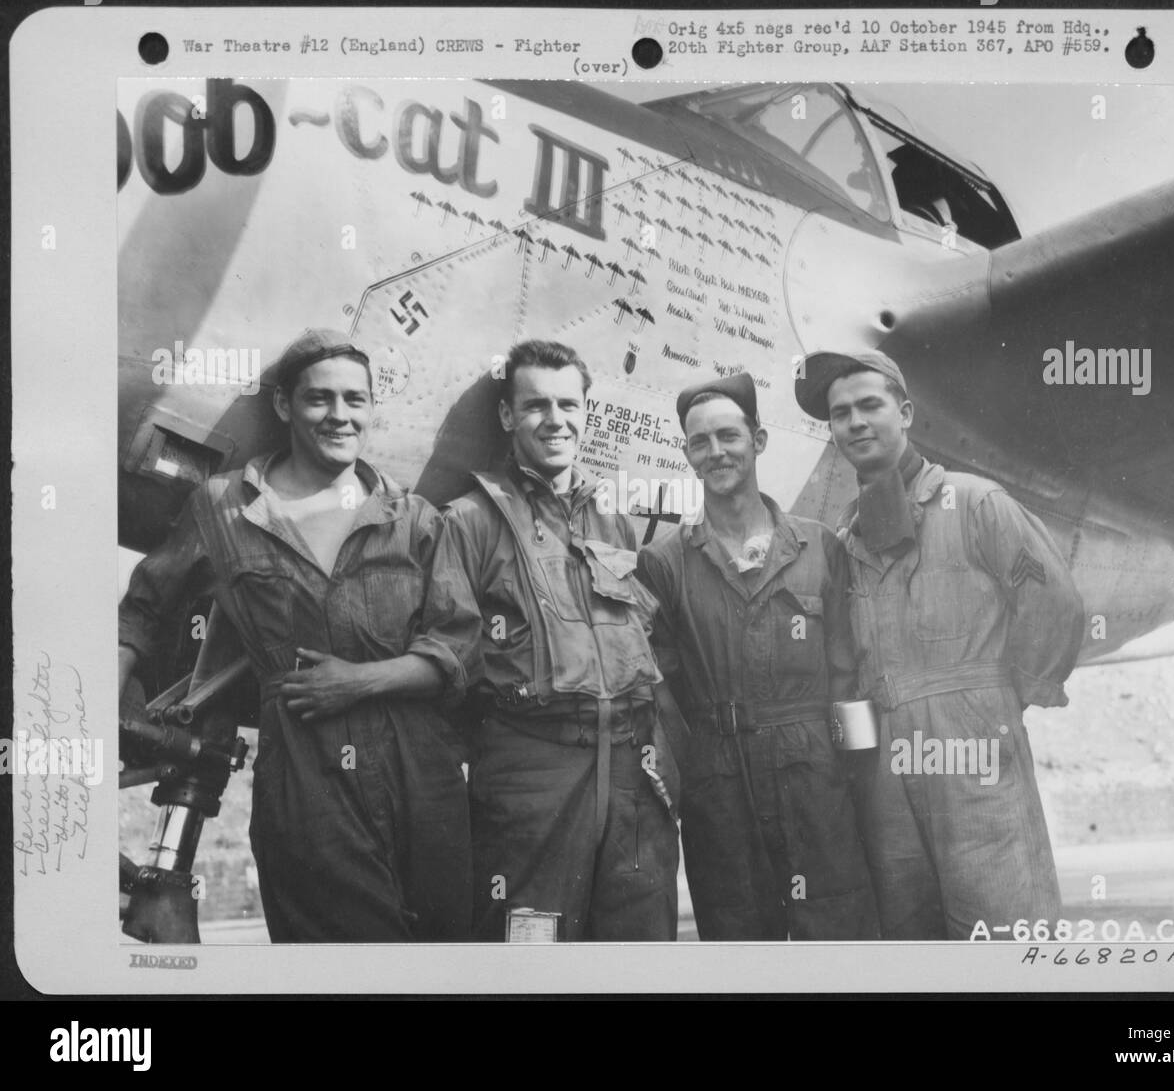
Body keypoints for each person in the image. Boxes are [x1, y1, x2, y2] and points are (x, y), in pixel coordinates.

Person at [118, 328, 474, 942]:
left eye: (355, 400)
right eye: (320, 399)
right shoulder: (223, 506)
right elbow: (144, 607)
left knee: (448, 955)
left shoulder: (412, 515)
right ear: (284, 406)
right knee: (333, 953)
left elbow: (456, 647)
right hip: (305, 770)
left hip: (420, 768)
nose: (340, 415)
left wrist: (358, 682)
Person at [795, 349, 1085, 941]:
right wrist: (860, 765)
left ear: (904, 413)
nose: (855, 422)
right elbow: (846, 673)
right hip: (887, 775)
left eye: (869, 405)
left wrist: (1001, 701)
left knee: (1008, 934)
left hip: (975, 758)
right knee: (911, 943)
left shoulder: (977, 503)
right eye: (840, 413)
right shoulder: (845, 544)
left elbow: (1057, 606)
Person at [432, 340, 678, 941]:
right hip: (530, 769)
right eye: (536, 404)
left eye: (569, 404)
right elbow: (448, 659)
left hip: (630, 771)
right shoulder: (469, 520)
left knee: (640, 956)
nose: (555, 419)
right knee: (528, 954)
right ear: (508, 417)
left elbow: (656, 640)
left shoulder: (618, 519)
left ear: (586, 413)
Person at [636, 372, 876, 940]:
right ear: (688, 455)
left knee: (838, 948)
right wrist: (694, 774)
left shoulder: (819, 546)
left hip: (816, 788)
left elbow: (850, 674)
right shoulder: (664, 562)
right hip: (720, 796)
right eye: (700, 442)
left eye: (729, 436)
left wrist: (858, 781)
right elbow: (660, 685)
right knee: (741, 954)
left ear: (759, 441)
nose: (716, 452)